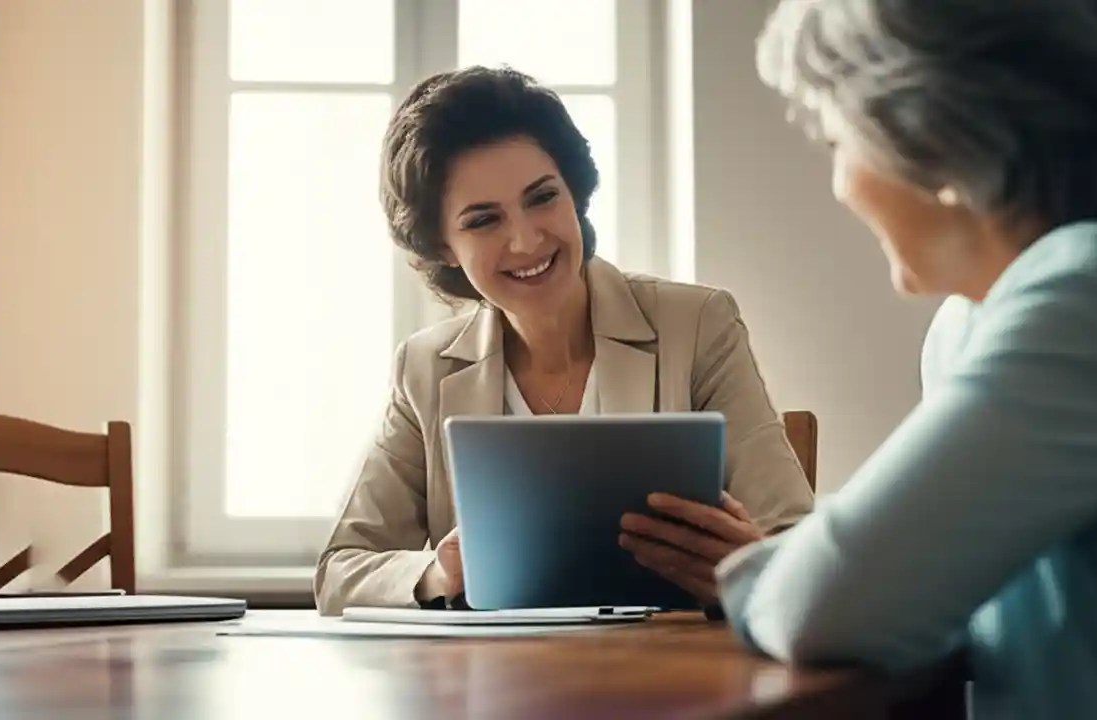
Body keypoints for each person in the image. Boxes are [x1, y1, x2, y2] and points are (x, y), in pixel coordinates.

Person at [719, 1, 1097, 718]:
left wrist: (756, 567)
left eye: (836, 141)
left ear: (932, 140)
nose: (840, 181)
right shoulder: (979, 319)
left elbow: (823, 607)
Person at [314, 66, 814, 615]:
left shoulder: (697, 324)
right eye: (483, 220)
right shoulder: (425, 368)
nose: (526, 240)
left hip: (673, 680)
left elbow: (797, 546)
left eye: (542, 197)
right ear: (442, 247)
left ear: (575, 193)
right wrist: (438, 570)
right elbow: (340, 573)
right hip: (493, 689)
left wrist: (745, 567)